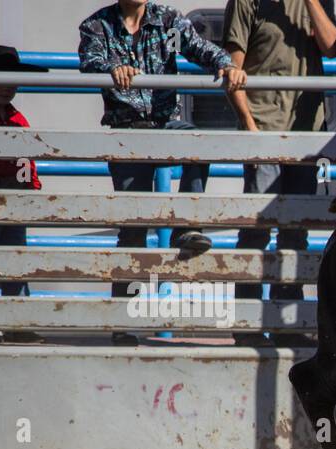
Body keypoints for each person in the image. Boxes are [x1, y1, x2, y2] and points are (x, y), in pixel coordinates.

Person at [79, 0, 248, 284]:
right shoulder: (97, 25)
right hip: (126, 130)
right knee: (133, 229)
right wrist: (113, 68)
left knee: (198, 142)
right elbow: (90, 61)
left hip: (165, 122)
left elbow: (198, 48)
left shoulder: (167, 20)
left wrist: (226, 65)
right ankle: (124, 322)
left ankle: (186, 227)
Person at [224, 0, 336, 301]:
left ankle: (287, 314)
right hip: (263, 127)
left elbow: (332, 47)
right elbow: (232, 68)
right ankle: (247, 316)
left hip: (306, 132)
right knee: (256, 228)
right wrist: (248, 125)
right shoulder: (245, 2)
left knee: (296, 229)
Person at [0, 46, 47, 301]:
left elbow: (26, 160)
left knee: (16, 256)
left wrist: (31, 188)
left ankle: (17, 317)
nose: (7, 87)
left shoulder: (19, 120)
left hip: (14, 194)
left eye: (12, 81)